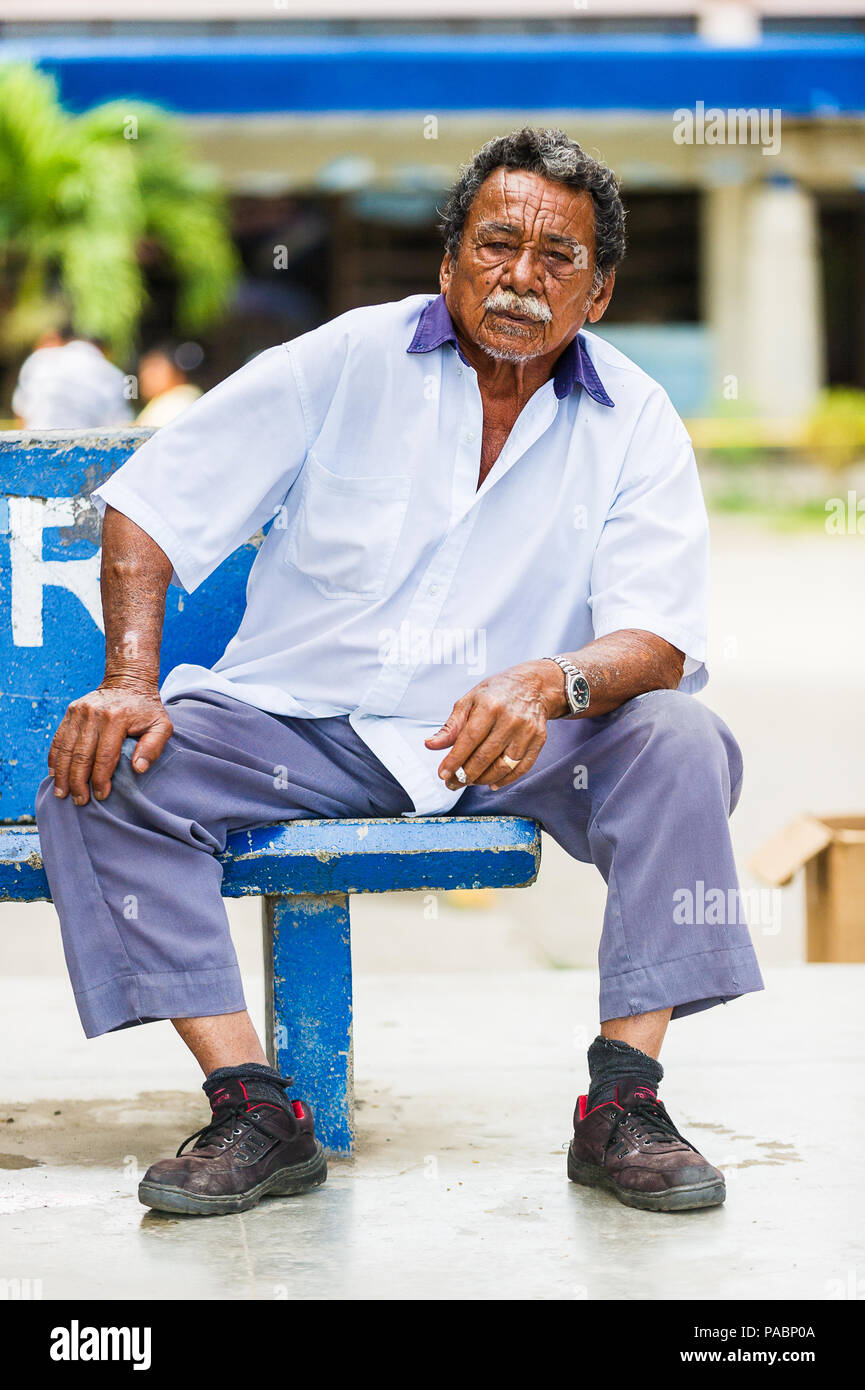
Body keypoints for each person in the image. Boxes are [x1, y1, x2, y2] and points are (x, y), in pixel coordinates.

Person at [35, 128, 763, 1218]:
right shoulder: (345, 358)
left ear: (598, 291)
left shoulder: (637, 419)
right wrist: (132, 678)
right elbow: (151, 499)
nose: (520, 276)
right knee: (100, 770)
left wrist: (548, 680)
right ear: (448, 263)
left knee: (680, 738)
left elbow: (656, 637)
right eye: (496, 244)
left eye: (557, 257)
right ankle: (254, 1109)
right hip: (304, 728)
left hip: (508, 742)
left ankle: (623, 1100)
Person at [12, 325, 133, 429]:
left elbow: (20, 414)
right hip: (87, 451)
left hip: (34, 447)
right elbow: (120, 426)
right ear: (103, 349)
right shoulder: (113, 374)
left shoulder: (40, 359)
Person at [135, 344, 201, 427]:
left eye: (155, 367)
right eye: (144, 369)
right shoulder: (161, 400)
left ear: (177, 371)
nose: (146, 375)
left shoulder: (181, 399)